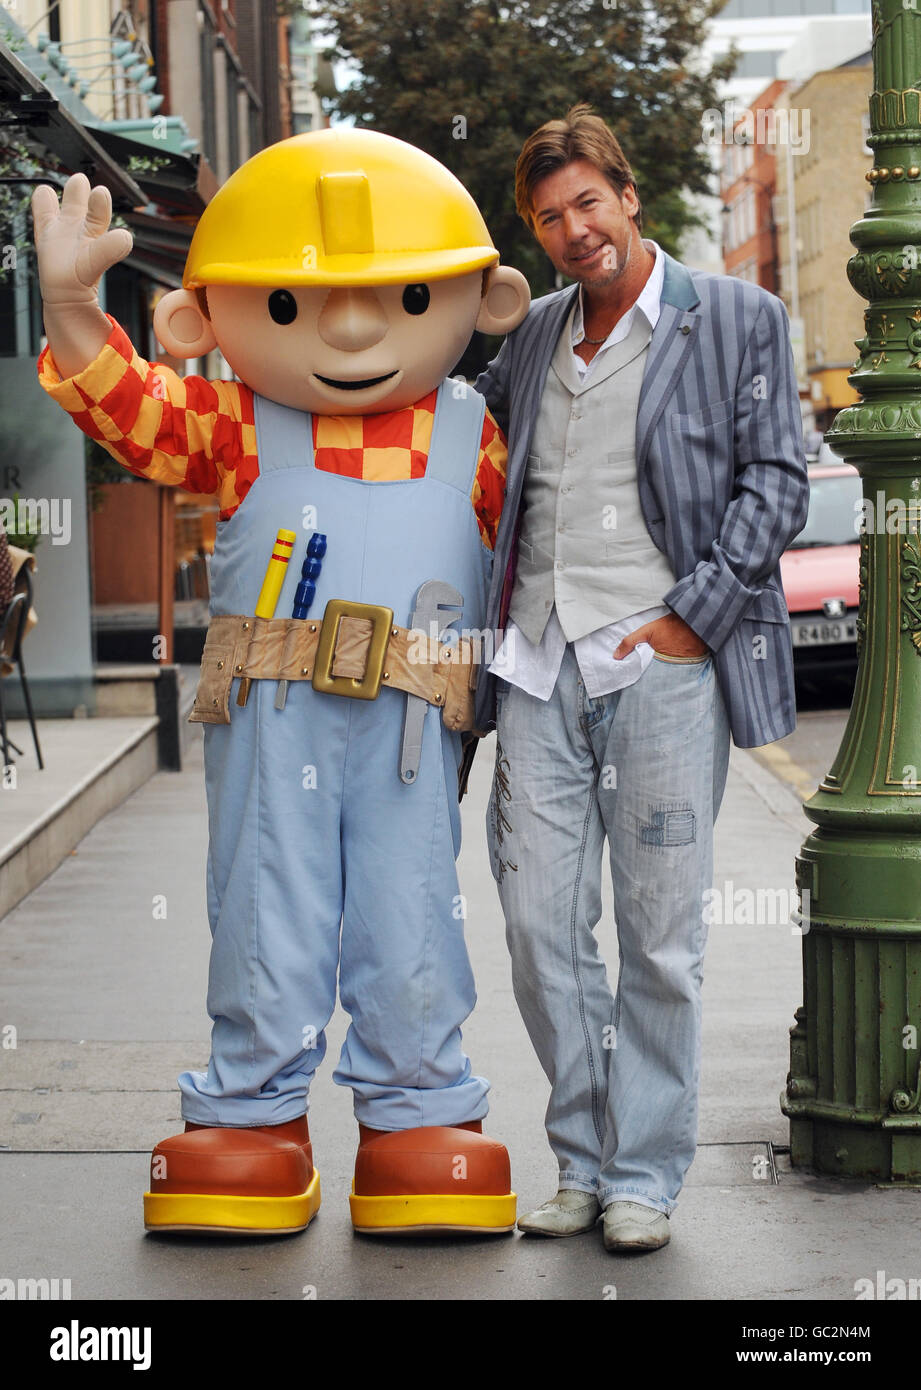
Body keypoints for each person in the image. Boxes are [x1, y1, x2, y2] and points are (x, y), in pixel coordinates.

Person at [32, 129, 531, 1238]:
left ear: (479, 301)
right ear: (204, 319)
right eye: (299, 305)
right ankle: (255, 1117)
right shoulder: (237, 422)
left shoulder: (475, 432)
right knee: (267, 905)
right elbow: (137, 414)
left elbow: (533, 560)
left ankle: (418, 1113)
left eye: (400, 297)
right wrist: (72, 312)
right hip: (272, 711)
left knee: (411, 913)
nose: (352, 330)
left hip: (412, 717)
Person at [474, 104, 809, 1252]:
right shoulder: (534, 337)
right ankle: (580, 1153)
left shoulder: (736, 318)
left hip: (659, 664)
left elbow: (778, 481)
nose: (575, 231)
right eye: (549, 217)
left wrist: (693, 619)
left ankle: (644, 1175)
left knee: (659, 934)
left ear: (628, 197)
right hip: (536, 660)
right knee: (534, 921)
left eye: (589, 204)